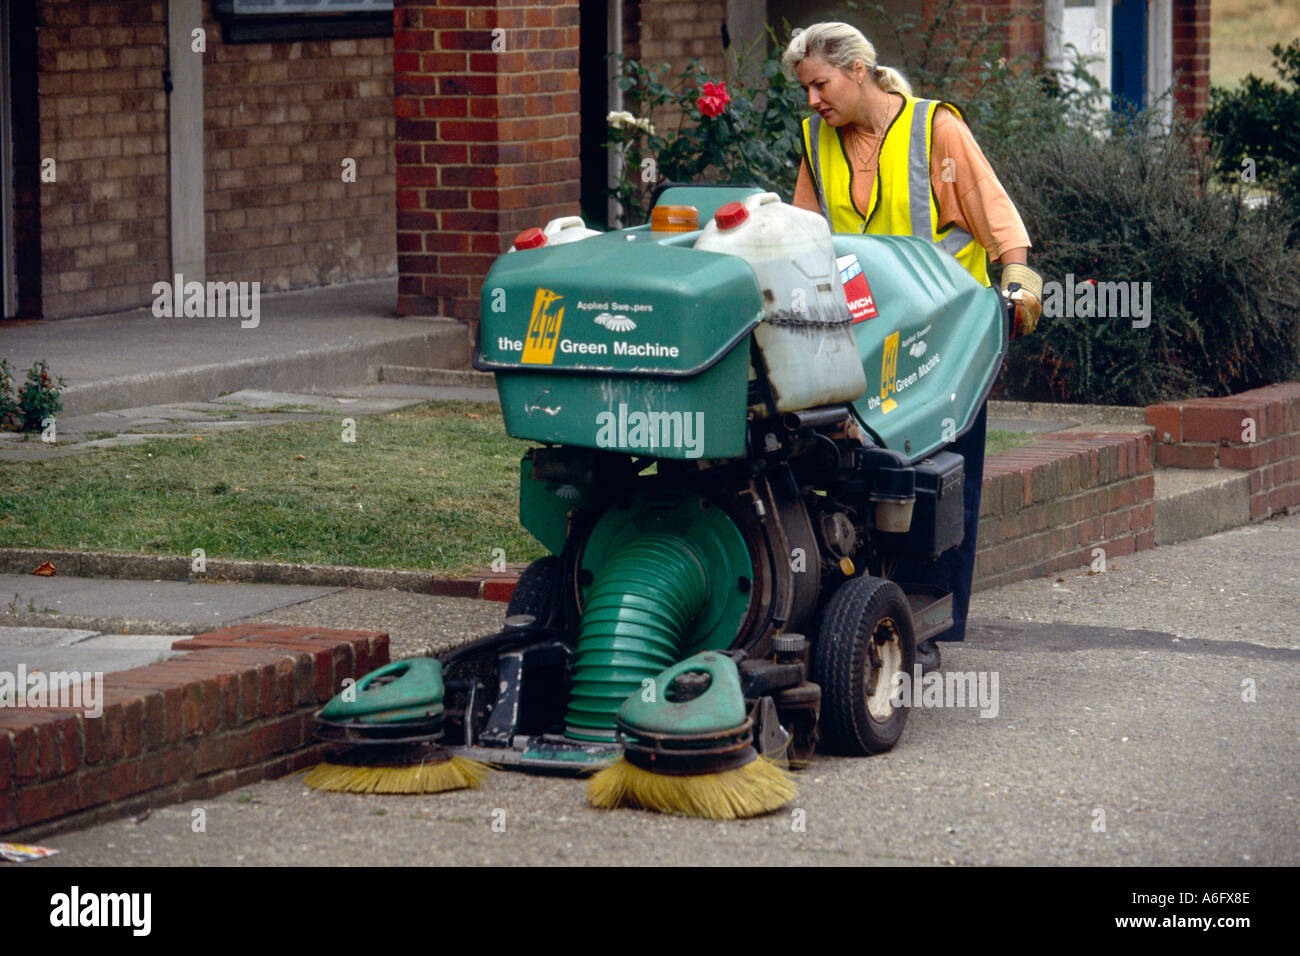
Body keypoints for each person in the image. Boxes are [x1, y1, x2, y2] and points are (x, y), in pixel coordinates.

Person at [782, 21, 1043, 672]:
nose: (812, 100)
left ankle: (928, 630)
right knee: (861, 480)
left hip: (947, 341)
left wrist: (1018, 295)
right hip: (863, 341)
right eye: (805, 88)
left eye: (820, 84)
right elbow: (802, 242)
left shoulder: (936, 132)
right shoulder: (817, 142)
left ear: (859, 71)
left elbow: (1003, 227)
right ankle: (869, 615)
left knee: (941, 482)